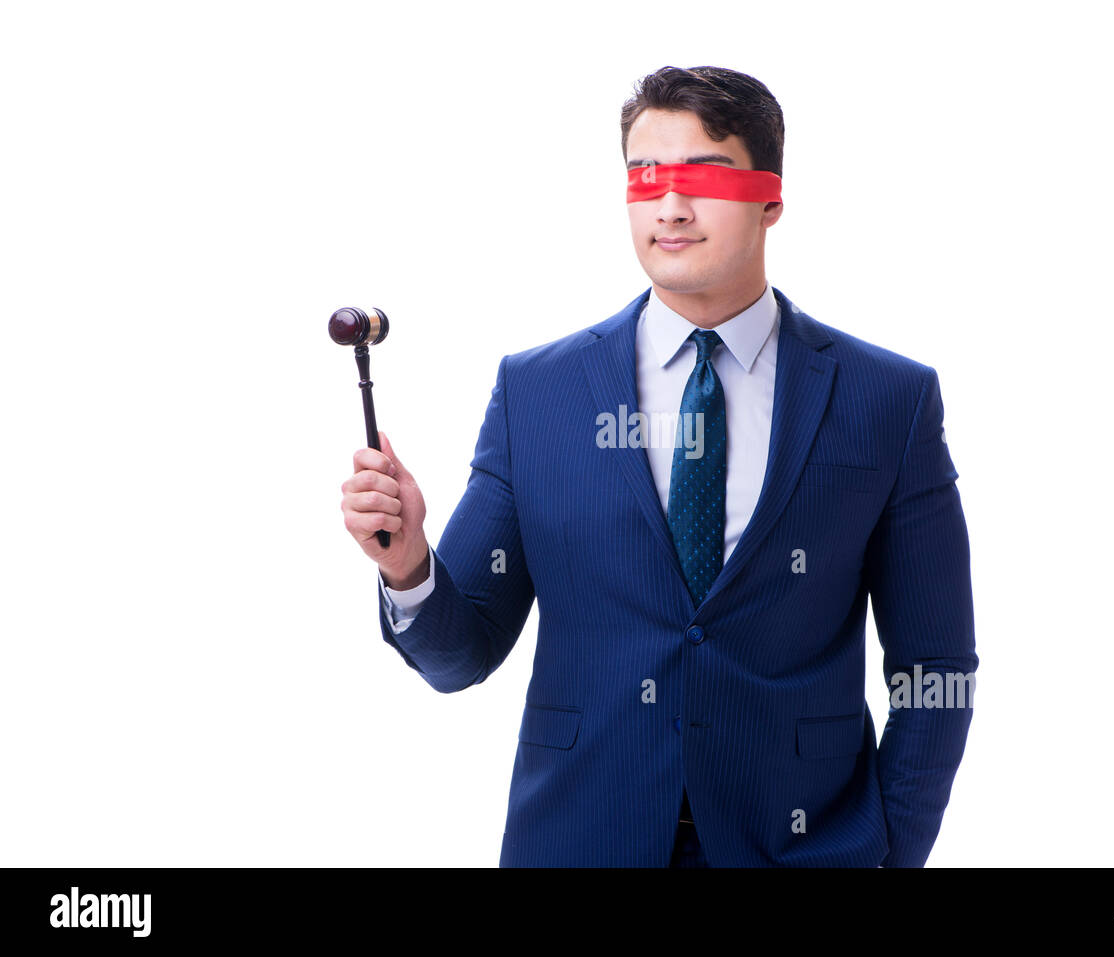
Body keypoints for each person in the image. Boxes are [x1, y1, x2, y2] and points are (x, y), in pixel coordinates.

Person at [340, 65, 977, 867]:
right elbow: (460, 653)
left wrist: (888, 854)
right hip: (577, 844)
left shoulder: (887, 399)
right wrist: (408, 567)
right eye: (645, 178)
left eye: (702, 177)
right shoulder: (539, 393)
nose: (670, 205)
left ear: (772, 198)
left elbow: (936, 668)